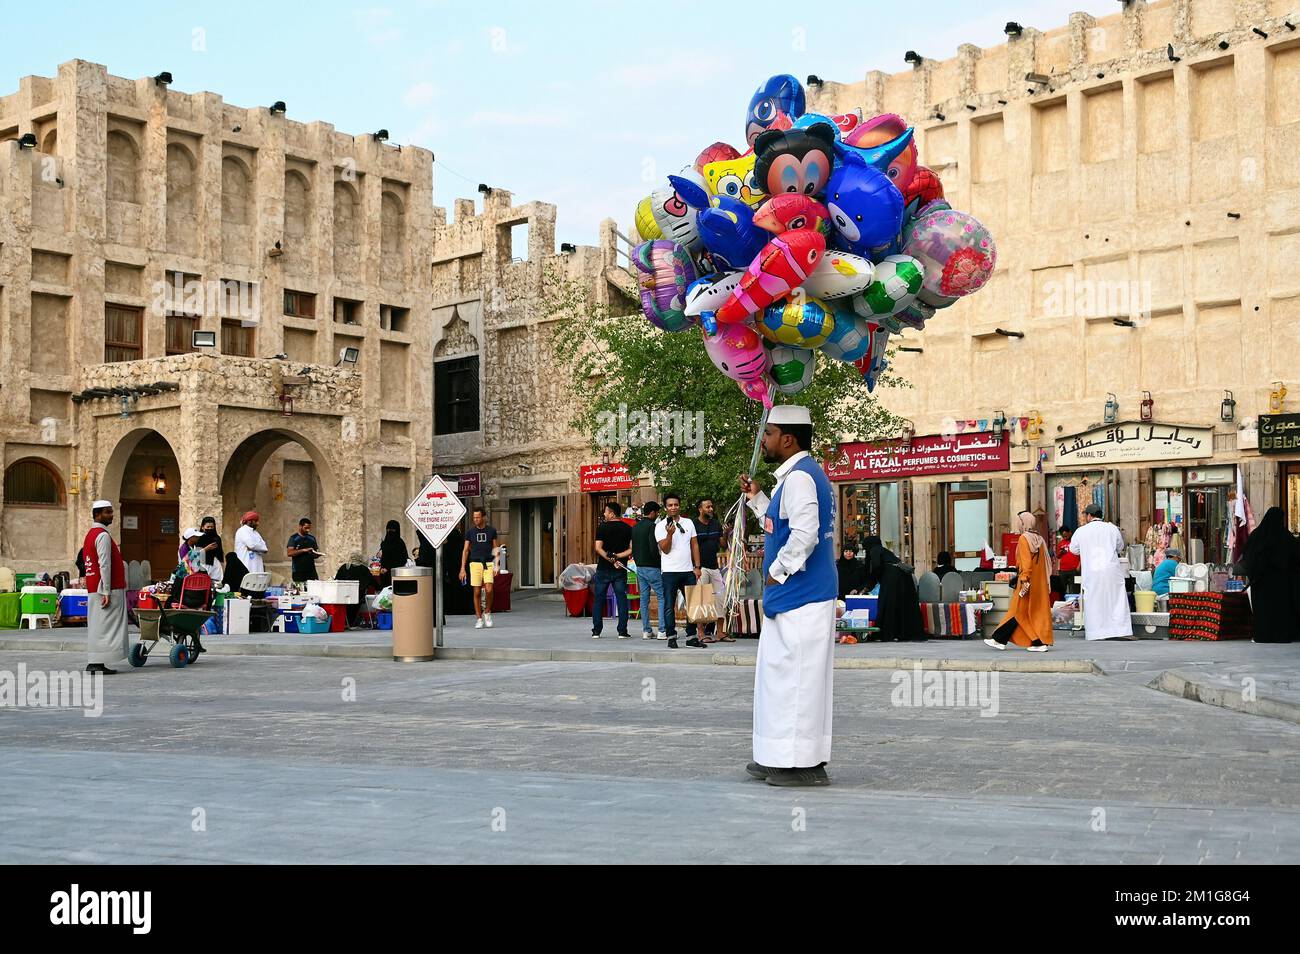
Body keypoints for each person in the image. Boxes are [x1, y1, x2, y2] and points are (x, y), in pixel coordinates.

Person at [740, 404, 836, 787]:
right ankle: (777, 755)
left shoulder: (800, 479)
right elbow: (781, 523)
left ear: (788, 439)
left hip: (803, 595)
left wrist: (778, 573)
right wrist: (757, 499)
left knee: (798, 680)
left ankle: (804, 764)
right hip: (796, 598)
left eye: (769, 433)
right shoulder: (795, 477)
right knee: (779, 679)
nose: (764, 440)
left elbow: (805, 534)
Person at [984, 511, 1053, 652]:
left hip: (1026, 583)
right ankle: (1000, 639)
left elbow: (1026, 563)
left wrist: (1023, 579)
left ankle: (1036, 642)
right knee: (1022, 613)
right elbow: (1046, 564)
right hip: (1039, 584)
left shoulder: (1024, 539)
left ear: (1024, 523)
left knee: (1018, 612)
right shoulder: (1039, 539)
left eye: (1019, 522)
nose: (1018, 524)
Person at [1069, 503, 1133, 640]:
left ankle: (1096, 632)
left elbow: (1073, 549)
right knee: (1115, 600)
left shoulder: (1081, 531)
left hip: (1092, 572)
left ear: (1089, 516)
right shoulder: (1112, 528)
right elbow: (1120, 546)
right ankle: (1119, 630)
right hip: (1111, 571)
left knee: (1094, 601)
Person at [1241, 507, 1299, 643]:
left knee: (1263, 611)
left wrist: (1255, 573)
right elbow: (1295, 558)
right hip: (1281, 583)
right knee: (1281, 610)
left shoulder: (1257, 536)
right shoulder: (1285, 537)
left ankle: (1262, 635)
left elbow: (1248, 556)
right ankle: (1281, 635)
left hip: (1261, 583)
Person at [83, 500, 128, 675]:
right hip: (106, 589)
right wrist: (107, 590)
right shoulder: (102, 535)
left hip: (96, 587)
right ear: (97, 514)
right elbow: (104, 564)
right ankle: (96, 662)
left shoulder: (91, 534)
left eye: (111, 511)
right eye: (108, 512)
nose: (112, 515)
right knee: (106, 627)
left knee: (99, 626)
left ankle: (97, 661)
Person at [655, 492, 701, 649]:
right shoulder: (660, 526)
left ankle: (691, 636)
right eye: (670, 505)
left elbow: (694, 545)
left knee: (692, 604)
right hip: (669, 572)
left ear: (679, 506)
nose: (673, 507)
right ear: (665, 508)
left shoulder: (688, 523)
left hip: (688, 570)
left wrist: (697, 566)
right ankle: (671, 636)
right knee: (669, 605)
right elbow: (665, 550)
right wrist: (669, 534)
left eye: (676, 504)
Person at [863, 536, 925, 641]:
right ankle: (903, 633)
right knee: (902, 604)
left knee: (888, 604)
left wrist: (868, 586)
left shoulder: (874, 550)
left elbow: (876, 567)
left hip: (892, 577)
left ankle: (888, 633)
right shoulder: (885, 551)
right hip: (903, 577)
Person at [591, 503, 633, 639]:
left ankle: (596, 631)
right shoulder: (628, 528)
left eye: (605, 512)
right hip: (620, 569)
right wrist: (618, 558)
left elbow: (598, 548)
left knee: (598, 599)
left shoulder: (602, 528)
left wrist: (610, 559)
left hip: (603, 568)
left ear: (612, 514)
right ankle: (622, 631)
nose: (604, 514)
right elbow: (632, 549)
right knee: (622, 599)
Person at [688, 497, 726, 642]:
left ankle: (720, 632)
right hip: (701, 567)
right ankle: (701, 633)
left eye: (711, 507)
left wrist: (726, 533)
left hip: (715, 567)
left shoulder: (716, 523)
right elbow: (690, 546)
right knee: (701, 600)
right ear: (700, 509)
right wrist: (695, 567)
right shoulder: (693, 524)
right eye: (707, 507)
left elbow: (722, 544)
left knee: (720, 599)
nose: (711, 509)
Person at [630, 501, 666, 640]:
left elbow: (633, 547)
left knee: (644, 600)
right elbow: (653, 547)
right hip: (652, 567)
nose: (657, 515)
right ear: (652, 513)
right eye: (657, 513)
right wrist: (659, 562)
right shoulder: (652, 526)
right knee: (661, 597)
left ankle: (646, 630)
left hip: (639, 567)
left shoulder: (635, 527)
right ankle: (662, 630)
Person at [460, 508, 499, 629]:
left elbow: (496, 549)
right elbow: (466, 550)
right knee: (476, 591)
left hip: (488, 563)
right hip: (475, 563)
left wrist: (497, 564)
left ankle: (487, 612)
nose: (476, 520)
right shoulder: (470, 532)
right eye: (474, 517)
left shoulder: (491, 531)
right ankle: (478, 617)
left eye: (478, 517)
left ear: (483, 517)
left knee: (489, 589)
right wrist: (462, 568)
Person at [334, 552, 379, 627]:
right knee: (355, 603)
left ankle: (345, 623)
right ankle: (350, 623)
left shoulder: (344, 567)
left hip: (342, 596)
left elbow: (336, 581)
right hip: (358, 596)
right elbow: (373, 582)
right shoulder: (364, 569)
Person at [286, 516, 323, 585]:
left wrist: (316, 555)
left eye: (309, 528)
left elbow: (314, 553)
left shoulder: (312, 538)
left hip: (311, 570)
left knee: (314, 588)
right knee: (300, 590)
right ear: (300, 526)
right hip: (298, 571)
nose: (307, 530)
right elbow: (289, 553)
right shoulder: (294, 538)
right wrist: (303, 550)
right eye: (306, 528)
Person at [376, 520, 409, 591]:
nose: (390, 531)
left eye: (393, 530)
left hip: (396, 576)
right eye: (388, 529)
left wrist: (388, 568)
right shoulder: (385, 542)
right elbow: (382, 557)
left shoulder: (400, 544)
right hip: (384, 576)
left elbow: (402, 560)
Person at [234, 511, 268, 575]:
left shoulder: (256, 533)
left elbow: (265, 548)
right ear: (250, 521)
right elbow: (251, 545)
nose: (258, 523)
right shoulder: (242, 531)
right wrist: (258, 548)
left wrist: (256, 548)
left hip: (257, 566)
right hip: (246, 565)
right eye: (256, 521)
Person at [196, 515, 224, 584]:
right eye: (208, 527)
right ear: (203, 527)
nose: (210, 529)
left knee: (217, 584)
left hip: (215, 565)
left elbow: (220, 554)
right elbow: (196, 554)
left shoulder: (217, 538)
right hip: (203, 564)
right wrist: (206, 549)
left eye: (212, 527)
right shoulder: (199, 538)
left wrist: (223, 567)